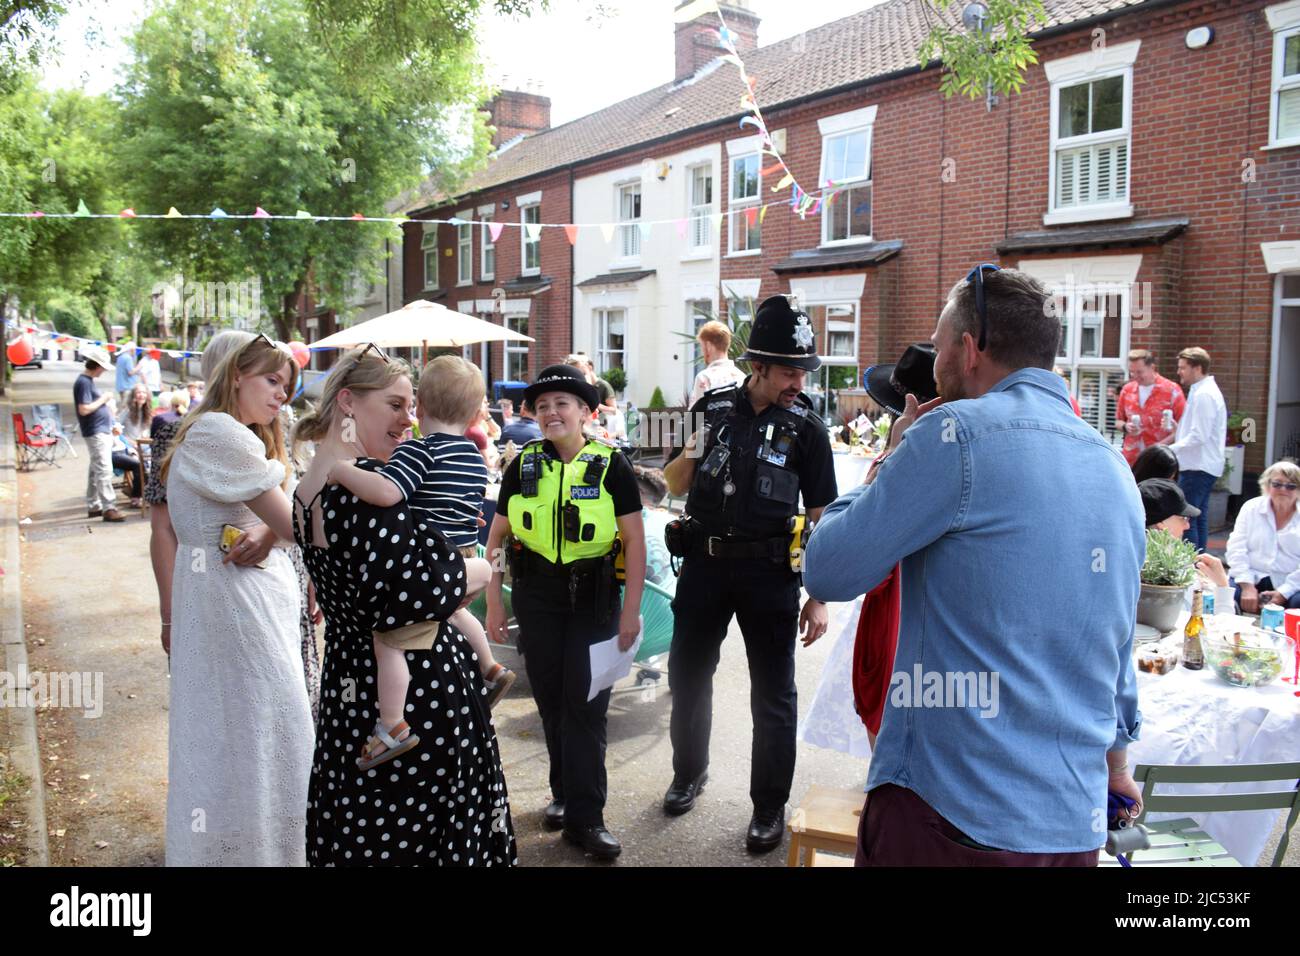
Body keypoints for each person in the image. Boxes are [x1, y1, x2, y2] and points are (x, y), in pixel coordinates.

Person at [805, 265, 1145, 866]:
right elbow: (1114, 639)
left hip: (950, 814)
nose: (934, 362)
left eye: (938, 345)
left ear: (968, 350)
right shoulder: (1115, 467)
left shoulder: (951, 435)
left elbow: (829, 569)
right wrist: (1118, 765)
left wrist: (889, 458)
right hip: (1071, 821)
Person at [293, 346, 516, 866]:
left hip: (351, 680)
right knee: (423, 836)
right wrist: (481, 570)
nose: (408, 418)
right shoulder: (360, 489)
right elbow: (428, 593)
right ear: (348, 402)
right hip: (420, 692)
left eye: (412, 405)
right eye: (396, 404)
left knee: (361, 829)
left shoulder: (306, 491)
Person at [660, 294, 836, 853]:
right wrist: (695, 442)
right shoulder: (709, 409)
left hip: (770, 575)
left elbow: (821, 518)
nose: (797, 383)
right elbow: (673, 483)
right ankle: (689, 772)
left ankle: (768, 806)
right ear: (755, 365)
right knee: (687, 676)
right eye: (789, 371)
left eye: (803, 371)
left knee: (774, 695)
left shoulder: (809, 428)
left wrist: (820, 594)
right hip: (705, 566)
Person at [159, 334, 312, 866]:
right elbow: (302, 523)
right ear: (235, 375)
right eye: (272, 380)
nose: (281, 397)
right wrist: (334, 461)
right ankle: (263, 854)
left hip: (235, 601)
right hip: (235, 607)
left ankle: (255, 850)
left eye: (286, 386)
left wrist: (273, 535)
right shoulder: (220, 433)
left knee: (245, 736)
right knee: (267, 732)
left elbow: (281, 525)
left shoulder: (226, 435)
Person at [484, 364, 645, 860]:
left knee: (588, 707)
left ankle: (586, 818)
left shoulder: (610, 464)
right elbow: (497, 537)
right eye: (544, 405)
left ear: (586, 412)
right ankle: (563, 793)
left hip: (594, 600)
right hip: (536, 599)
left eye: (563, 404)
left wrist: (631, 612)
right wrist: (493, 599)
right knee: (552, 701)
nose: (552, 413)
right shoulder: (524, 463)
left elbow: (634, 541)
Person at [327, 355, 516, 748]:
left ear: (422, 408)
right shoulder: (474, 457)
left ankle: (392, 725)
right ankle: (491, 665)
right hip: (462, 552)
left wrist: (343, 471)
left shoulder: (418, 452)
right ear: (472, 415)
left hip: (426, 561)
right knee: (458, 611)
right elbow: (461, 505)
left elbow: (387, 493)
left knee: (389, 640)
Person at [1167, 346, 1227, 551]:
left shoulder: (1204, 395)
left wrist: (1171, 449)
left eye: (1183, 367)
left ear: (1197, 368)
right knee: (1198, 516)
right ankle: (1200, 562)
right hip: (1201, 464)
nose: (1179, 372)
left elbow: (1199, 436)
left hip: (1197, 465)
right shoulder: (1202, 391)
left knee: (1187, 518)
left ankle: (1190, 564)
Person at [1225, 460, 1300, 611]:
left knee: (1296, 606)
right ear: (1267, 485)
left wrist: (1283, 593)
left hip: (1291, 582)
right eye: (1277, 484)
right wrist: (1247, 586)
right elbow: (1236, 549)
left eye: (1291, 486)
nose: (1283, 489)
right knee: (1229, 597)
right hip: (1252, 575)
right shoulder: (1250, 508)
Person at [74, 345, 125, 523]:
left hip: (99, 430)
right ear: (97, 365)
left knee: (96, 469)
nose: (103, 371)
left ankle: (94, 505)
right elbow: (84, 409)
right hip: (95, 431)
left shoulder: (86, 382)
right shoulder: (83, 383)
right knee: (104, 469)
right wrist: (104, 399)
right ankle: (108, 507)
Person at [1116, 350, 1185, 465]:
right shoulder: (1127, 390)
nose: (1135, 376)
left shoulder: (1172, 390)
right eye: (1132, 372)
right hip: (1132, 457)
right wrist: (1125, 427)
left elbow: (1183, 427)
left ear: (1152, 367)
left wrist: (1161, 445)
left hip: (1160, 458)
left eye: (1139, 372)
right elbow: (1118, 420)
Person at [634, 465, 675, 590]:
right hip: (666, 607)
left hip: (627, 605)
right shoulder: (673, 523)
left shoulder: (619, 523)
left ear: (638, 492)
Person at [689, 320, 746, 407]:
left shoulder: (704, 378)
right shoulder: (742, 377)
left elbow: (695, 419)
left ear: (708, 346)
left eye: (701, 345)